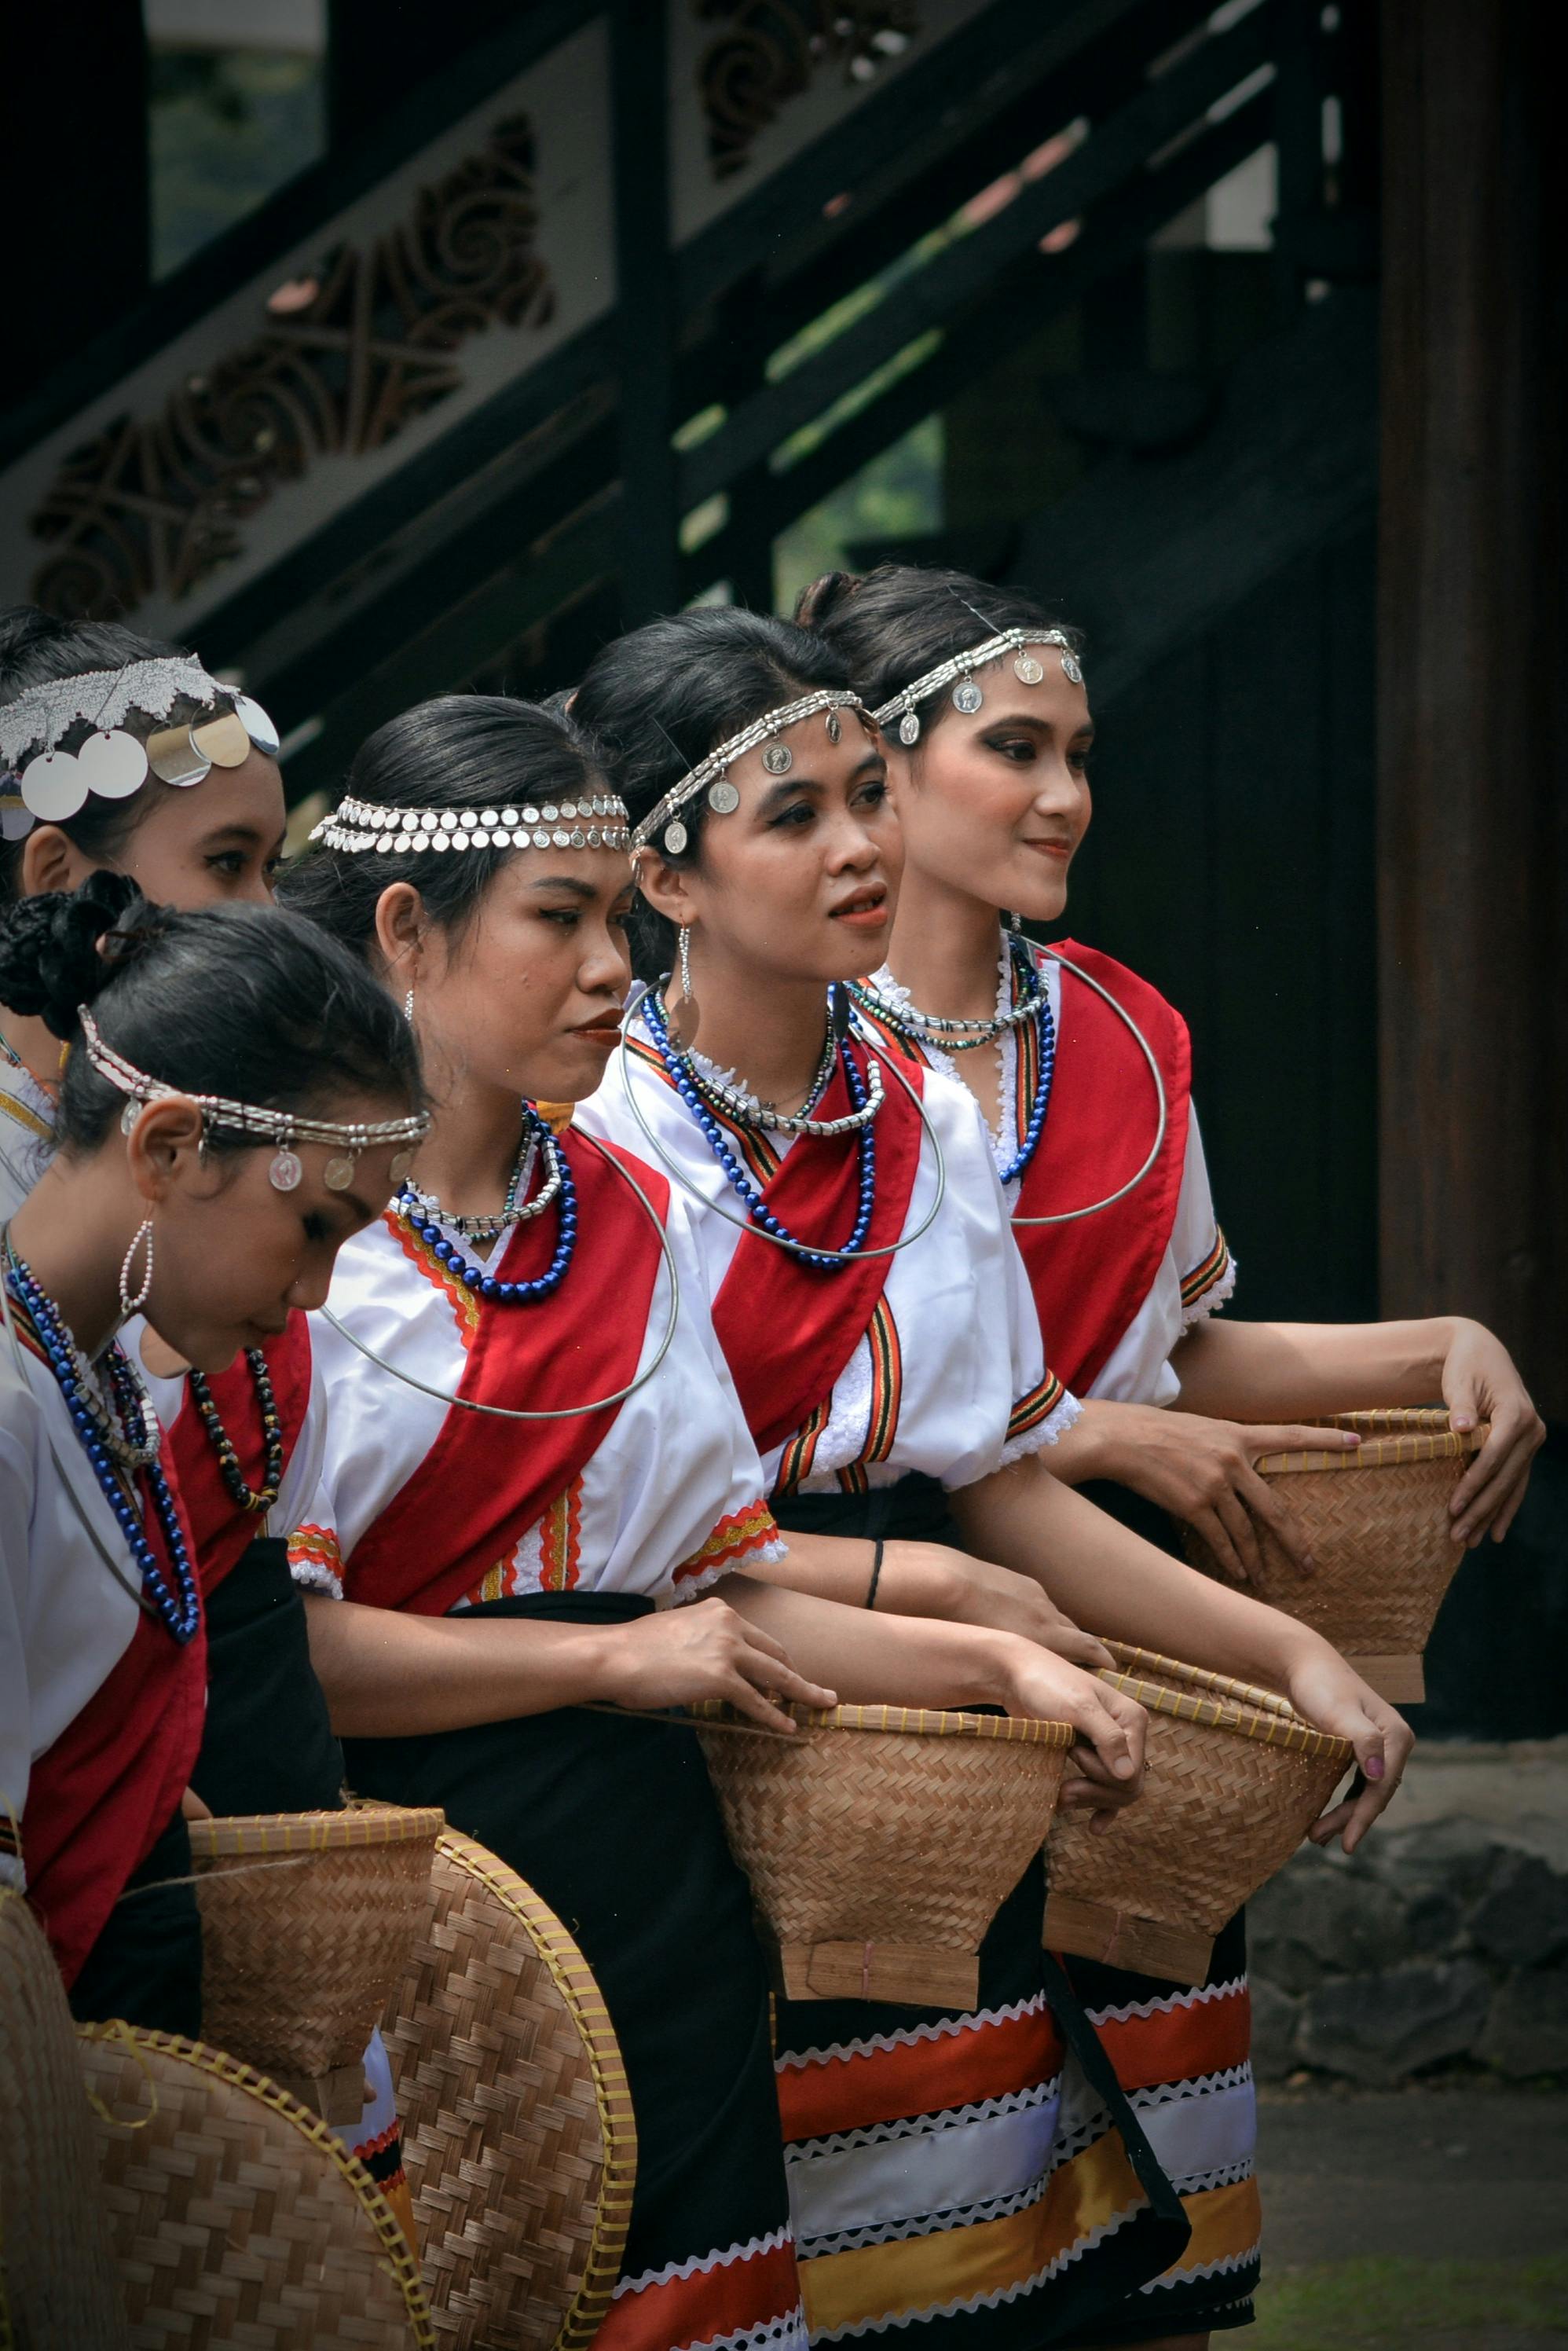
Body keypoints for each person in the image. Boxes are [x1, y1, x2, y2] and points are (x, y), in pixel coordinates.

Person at [570, 605, 1412, 2351]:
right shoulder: (607, 1132)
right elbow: (649, 1548)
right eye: (790, 813)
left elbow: (1007, 1475)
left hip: (939, 1754)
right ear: (663, 879)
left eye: (865, 791)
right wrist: (963, 1614)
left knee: (971, 2278)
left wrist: (1282, 1655)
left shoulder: (915, 1114)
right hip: (708, 1696)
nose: (861, 842)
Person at [280, 694, 1152, 2351]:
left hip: (657, 1892)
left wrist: (984, 1664)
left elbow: (716, 1595)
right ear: (406, 928)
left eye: (615, 917)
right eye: (559, 918)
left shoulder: (618, 1210)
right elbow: (290, 1661)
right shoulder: (314, 1244)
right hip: (403, 1904)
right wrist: (610, 1665)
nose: (610, 965)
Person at [798, 561, 1548, 2345]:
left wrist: (1440, 1338)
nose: (1063, 792)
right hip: (889, 1665)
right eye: (1014, 747)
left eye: (1077, 751)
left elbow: (1186, 1347)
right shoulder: (793, 1053)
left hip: (1141, 1645)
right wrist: (1082, 1428)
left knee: (1162, 2267)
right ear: (878, 776)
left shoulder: (1125, 1032)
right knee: (917, 2246)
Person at [0, 877, 424, 2037]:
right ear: (171, 1144)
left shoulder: (94, 1389)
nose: (313, 1298)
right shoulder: (13, 1407)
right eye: (314, 1230)